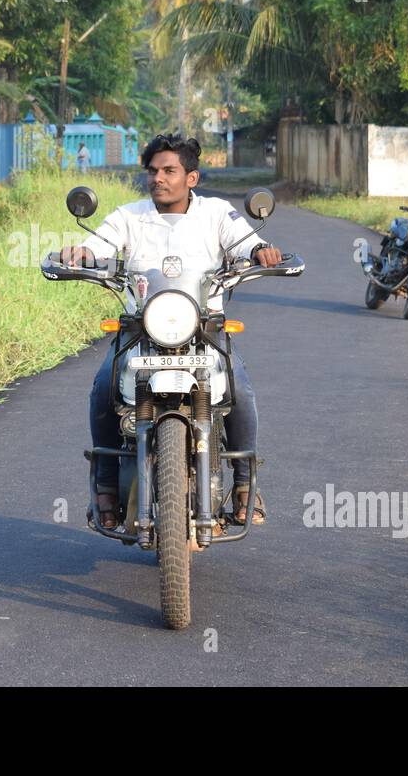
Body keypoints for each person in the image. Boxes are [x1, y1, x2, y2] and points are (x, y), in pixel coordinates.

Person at [59, 134, 283, 529]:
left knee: (240, 388)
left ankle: (247, 485)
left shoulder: (216, 213)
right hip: (140, 330)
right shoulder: (129, 215)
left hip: (205, 329)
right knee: (103, 387)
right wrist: (82, 254)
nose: (158, 178)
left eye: (169, 171)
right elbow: (99, 244)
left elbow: (247, 240)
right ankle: (105, 486)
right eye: (153, 171)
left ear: (191, 177)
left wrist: (260, 252)